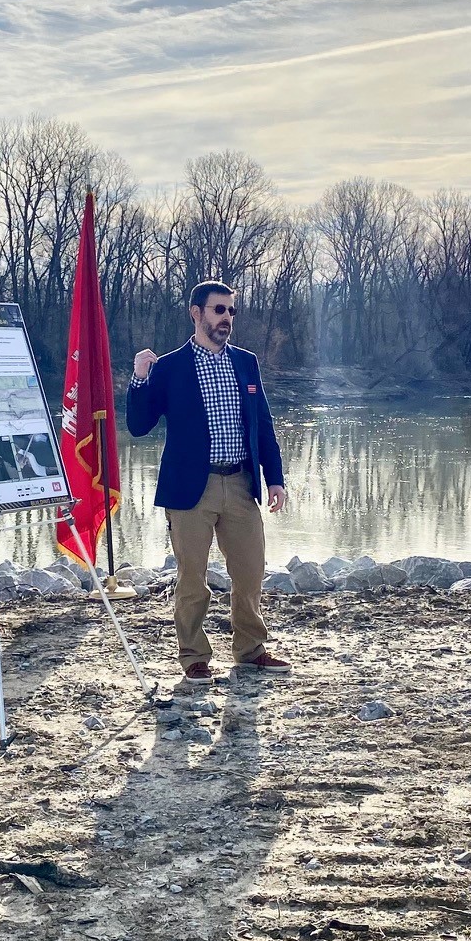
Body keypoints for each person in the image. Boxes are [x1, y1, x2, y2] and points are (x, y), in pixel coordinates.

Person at [127, 281, 289, 682]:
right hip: (189, 490)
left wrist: (275, 479)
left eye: (231, 311)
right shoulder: (169, 367)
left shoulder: (246, 363)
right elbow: (138, 425)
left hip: (239, 484)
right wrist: (140, 379)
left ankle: (250, 649)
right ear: (196, 314)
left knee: (251, 571)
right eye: (219, 310)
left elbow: (263, 424)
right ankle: (194, 656)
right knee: (192, 577)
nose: (227, 319)